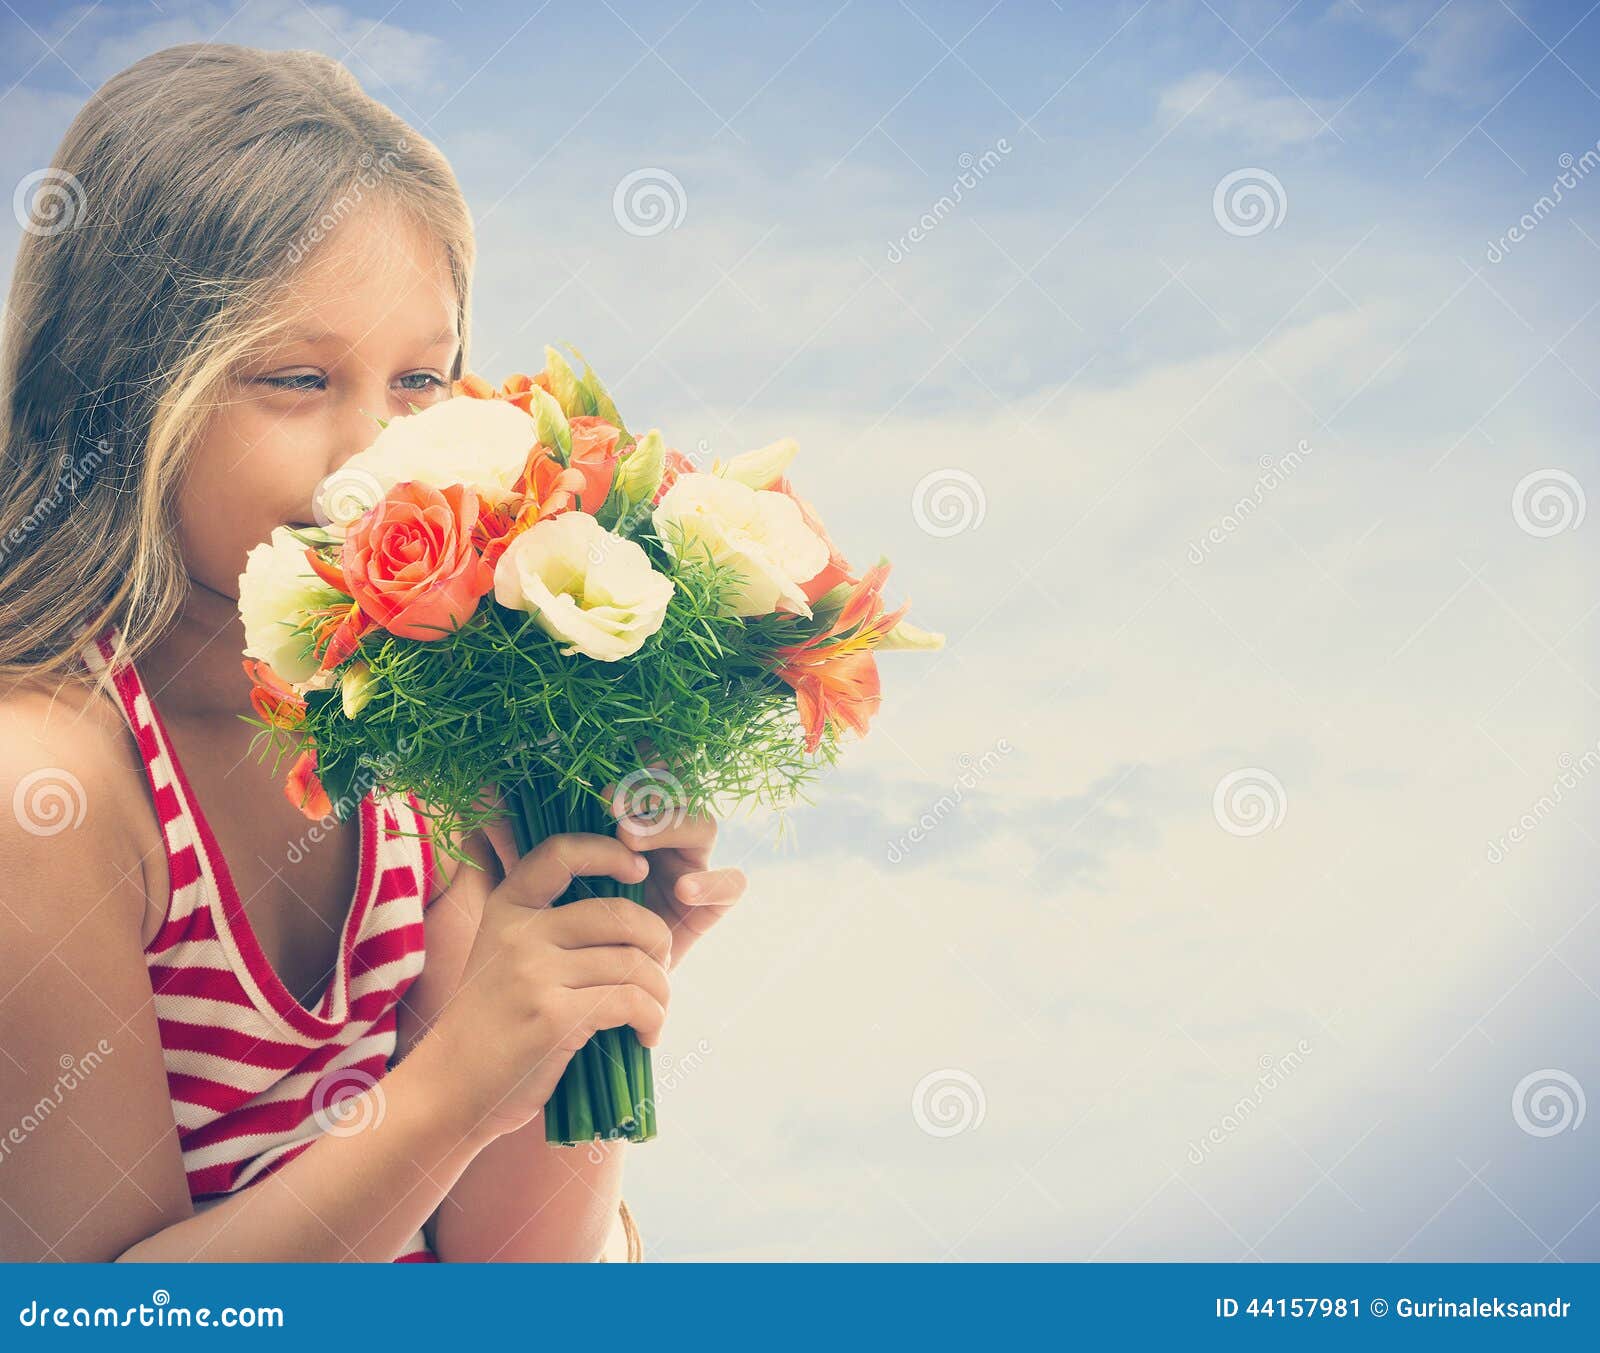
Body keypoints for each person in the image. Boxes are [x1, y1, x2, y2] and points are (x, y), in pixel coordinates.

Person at [0, 42, 746, 1263]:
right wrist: (454, 1086)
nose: (370, 461)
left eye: (419, 381)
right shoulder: (47, 788)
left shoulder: (421, 737)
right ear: (118, 398)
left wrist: (580, 993)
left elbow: (517, 1276)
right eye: (295, 378)